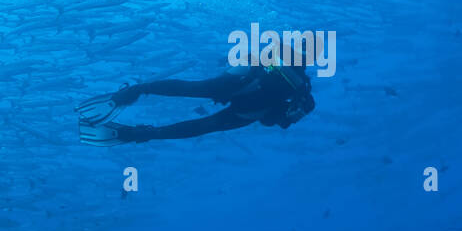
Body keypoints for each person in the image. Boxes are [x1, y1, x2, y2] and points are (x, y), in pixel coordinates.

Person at [76, 57, 315, 146]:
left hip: (241, 90)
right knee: (202, 125)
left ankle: (137, 91)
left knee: (192, 89)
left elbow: (259, 63)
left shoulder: (288, 69)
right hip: (249, 105)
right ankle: (144, 133)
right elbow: (278, 120)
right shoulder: (304, 89)